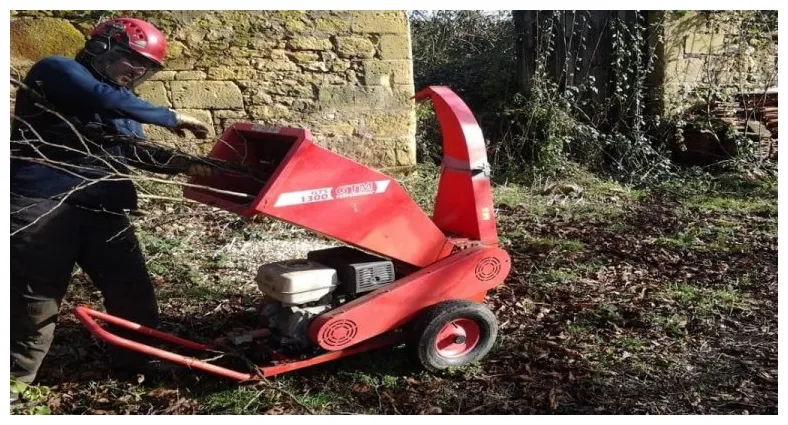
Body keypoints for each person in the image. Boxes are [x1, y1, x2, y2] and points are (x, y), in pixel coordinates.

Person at [10, 17, 214, 387]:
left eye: (147, 68)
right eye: (131, 60)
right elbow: (100, 98)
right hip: (41, 206)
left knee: (132, 293)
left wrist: (185, 164)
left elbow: (135, 153)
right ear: (101, 48)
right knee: (33, 307)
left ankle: (138, 361)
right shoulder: (57, 71)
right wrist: (168, 117)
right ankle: (15, 383)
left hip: (104, 208)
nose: (137, 71)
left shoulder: (126, 105)